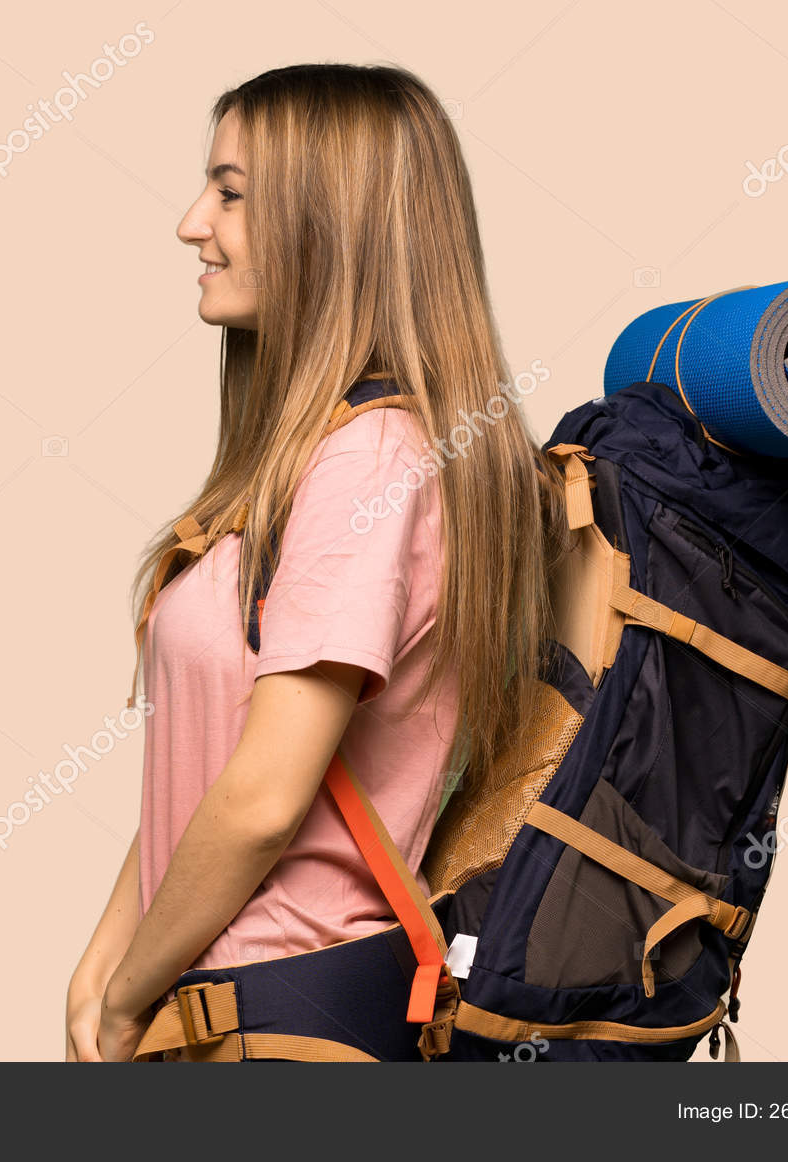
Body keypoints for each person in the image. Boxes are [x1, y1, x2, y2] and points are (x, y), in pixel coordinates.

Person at [65, 62, 555, 1063]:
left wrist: (126, 998)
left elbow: (263, 799)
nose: (192, 222)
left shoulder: (372, 464)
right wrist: (107, 961)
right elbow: (213, 766)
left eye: (232, 193)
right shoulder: (312, 465)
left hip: (280, 1017)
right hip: (215, 1001)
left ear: (329, 222)